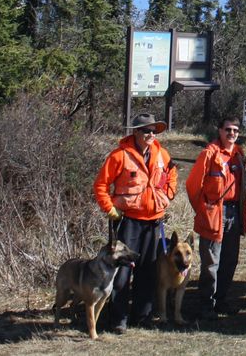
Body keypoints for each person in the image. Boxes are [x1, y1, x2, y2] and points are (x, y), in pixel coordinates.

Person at [93, 113, 177, 332]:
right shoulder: (119, 155)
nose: (151, 134)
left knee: (148, 271)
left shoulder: (162, 154)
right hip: (128, 221)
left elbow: (172, 175)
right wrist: (109, 208)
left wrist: (167, 196)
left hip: (154, 221)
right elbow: (100, 185)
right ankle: (117, 320)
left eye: (154, 131)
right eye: (147, 130)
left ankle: (142, 317)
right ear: (136, 132)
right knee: (122, 273)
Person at [186, 116, 246, 319]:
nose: (232, 133)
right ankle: (206, 305)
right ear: (219, 130)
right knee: (211, 262)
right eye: (228, 129)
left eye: (235, 130)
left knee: (230, 260)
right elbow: (193, 185)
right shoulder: (209, 153)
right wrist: (203, 210)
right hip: (214, 214)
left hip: (234, 213)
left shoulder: (239, 154)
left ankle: (221, 300)